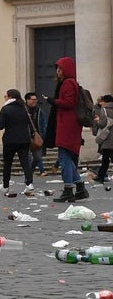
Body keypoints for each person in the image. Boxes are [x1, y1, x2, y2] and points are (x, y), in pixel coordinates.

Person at [44, 56, 86, 203]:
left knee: (64, 158)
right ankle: (80, 188)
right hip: (68, 124)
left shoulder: (68, 83)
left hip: (67, 125)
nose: (58, 71)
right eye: (57, 69)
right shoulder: (71, 82)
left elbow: (68, 103)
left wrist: (52, 100)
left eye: (60, 68)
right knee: (67, 158)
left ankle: (68, 190)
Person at [0, 88, 35, 193]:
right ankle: (29, 183)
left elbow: (0, 126)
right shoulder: (24, 108)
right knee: (25, 163)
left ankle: (5, 186)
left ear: (9, 97)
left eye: (6, 96)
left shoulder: (5, 109)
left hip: (10, 140)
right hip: (24, 139)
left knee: (7, 164)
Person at [92, 94, 113, 184]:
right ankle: (100, 176)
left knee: (106, 157)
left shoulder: (104, 110)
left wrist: (97, 120)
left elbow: (102, 124)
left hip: (108, 137)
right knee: (106, 158)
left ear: (105, 102)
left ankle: (100, 177)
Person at [25, 92, 47, 175]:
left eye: (35, 100)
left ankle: (30, 171)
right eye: (33, 99)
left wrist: (43, 136)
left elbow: (44, 124)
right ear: (27, 100)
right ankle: (29, 175)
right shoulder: (23, 110)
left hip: (37, 137)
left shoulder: (39, 111)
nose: (35, 101)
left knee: (37, 157)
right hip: (26, 137)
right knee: (27, 158)